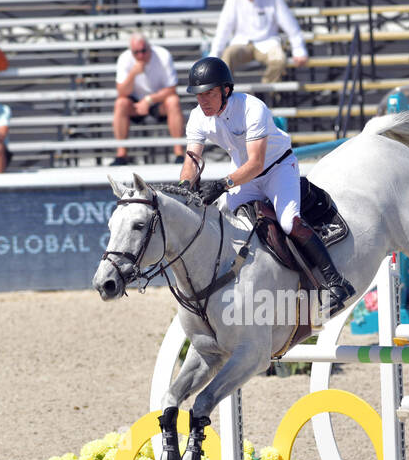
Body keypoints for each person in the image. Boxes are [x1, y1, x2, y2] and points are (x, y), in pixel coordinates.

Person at [180, 55, 354, 313]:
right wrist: (184, 186)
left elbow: (257, 164)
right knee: (225, 219)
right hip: (243, 173)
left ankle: (336, 283)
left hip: (277, 169)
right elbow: (192, 160)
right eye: (199, 95)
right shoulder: (197, 117)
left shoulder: (252, 108)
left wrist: (221, 185)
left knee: (288, 222)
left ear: (226, 91)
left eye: (209, 93)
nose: (203, 100)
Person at [210, 0, 307, 84]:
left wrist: (299, 49)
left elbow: (291, 26)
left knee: (279, 60)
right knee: (227, 56)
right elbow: (224, 27)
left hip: (268, 43)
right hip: (242, 42)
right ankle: (223, 95)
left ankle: (264, 94)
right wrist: (214, 53)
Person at [112, 32, 186, 165]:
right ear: (131, 52)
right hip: (135, 104)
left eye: (143, 51)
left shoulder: (162, 55)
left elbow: (172, 89)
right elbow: (121, 92)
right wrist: (133, 74)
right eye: (136, 52)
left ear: (149, 47)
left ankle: (179, 153)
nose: (140, 55)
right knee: (120, 103)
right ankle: (121, 155)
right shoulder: (124, 58)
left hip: (158, 102)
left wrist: (149, 100)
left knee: (173, 101)